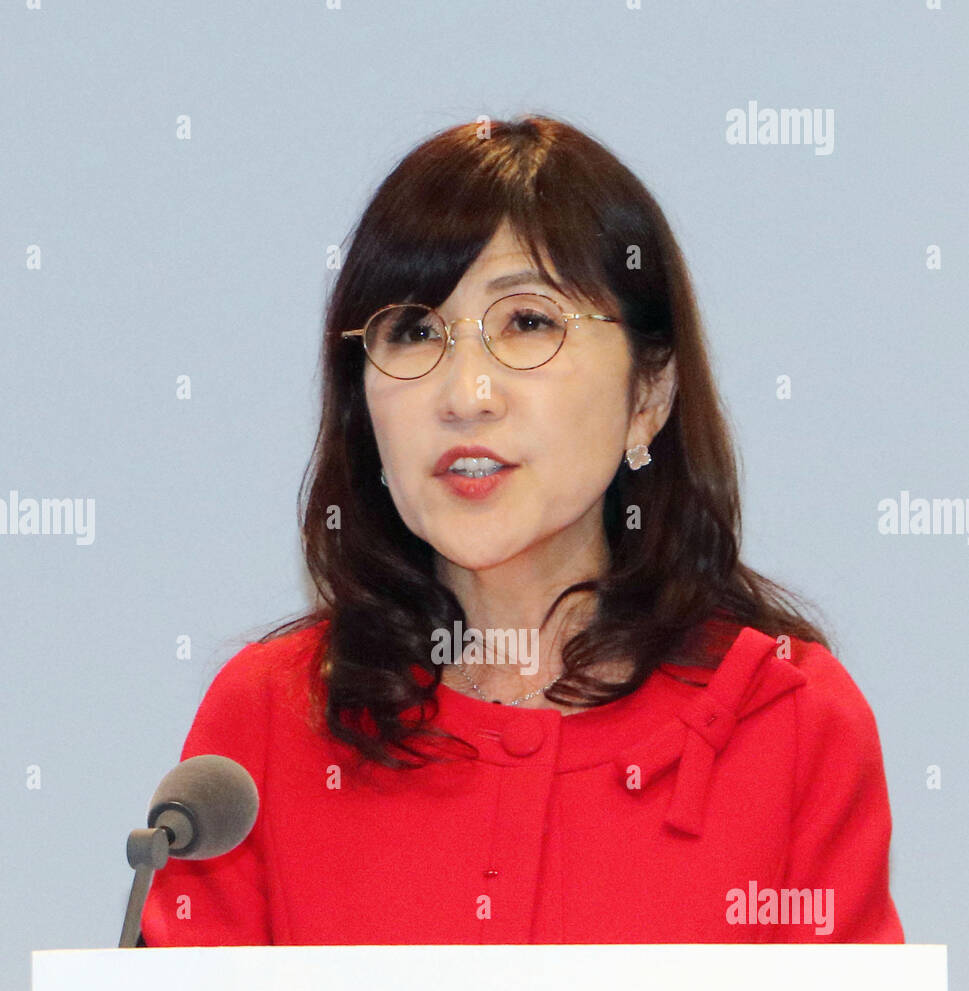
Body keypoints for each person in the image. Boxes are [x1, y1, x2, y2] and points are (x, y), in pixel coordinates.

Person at [140, 114, 903, 948]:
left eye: (527, 323)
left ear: (647, 394)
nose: (465, 393)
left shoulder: (790, 724)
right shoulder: (266, 724)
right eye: (414, 332)